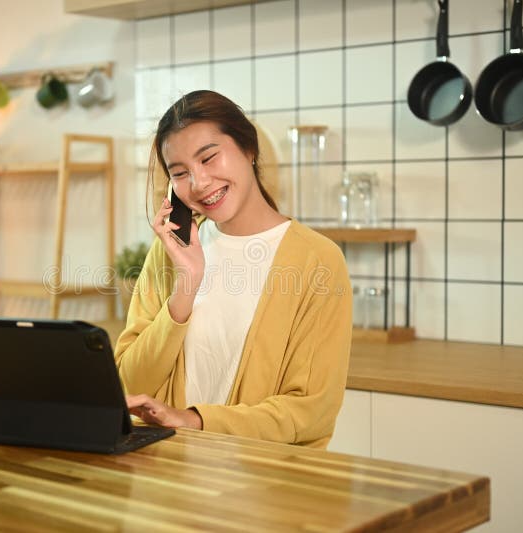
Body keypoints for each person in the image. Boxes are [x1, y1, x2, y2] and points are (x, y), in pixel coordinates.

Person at [114, 90, 352, 449]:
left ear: (248, 149)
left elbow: (310, 411)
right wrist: (186, 286)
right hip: (168, 479)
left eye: (209, 158)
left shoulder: (318, 261)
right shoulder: (170, 253)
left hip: (263, 488)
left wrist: (194, 421)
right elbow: (131, 387)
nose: (199, 183)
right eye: (180, 173)